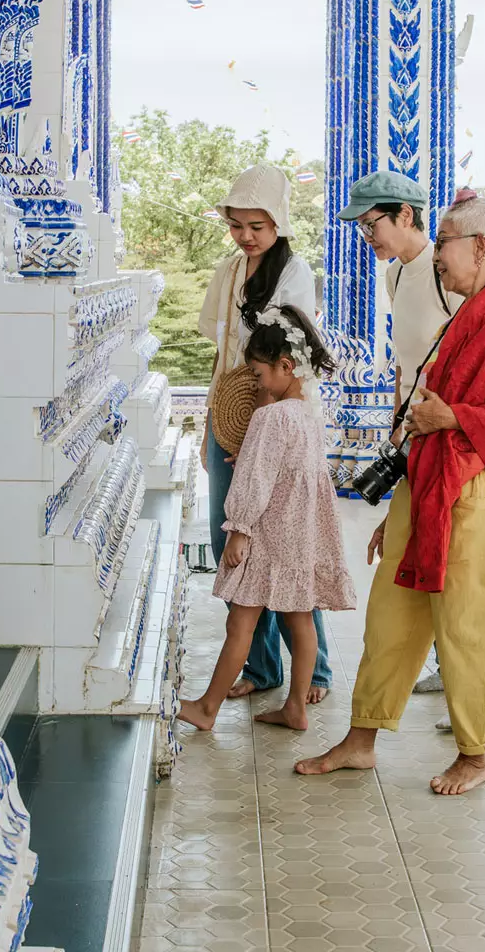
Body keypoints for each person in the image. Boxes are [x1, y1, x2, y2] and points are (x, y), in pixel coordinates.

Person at [296, 190, 485, 795]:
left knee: (466, 625)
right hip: (429, 483)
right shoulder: (471, 310)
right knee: (391, 614)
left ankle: (476, 753)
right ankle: (361, 738)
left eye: (445, 243)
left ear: (482, 246)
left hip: (477, 490)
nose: (437, 254)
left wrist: (455, 420)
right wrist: (402, 504)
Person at [178, 306, 357, 733]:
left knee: (240, 621)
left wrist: (239, 529)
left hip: (268, 536)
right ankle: (296, 706)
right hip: (302, 537)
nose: (257, 384)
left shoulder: (270, 417)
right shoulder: (311, 417)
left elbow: (254, 479)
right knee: (300, 620)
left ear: (286, 365)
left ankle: (206, 709)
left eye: (259, 375)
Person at [197, 163, 334, 702]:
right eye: (238, 225)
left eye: (257, 225)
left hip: (275, 417)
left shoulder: (293, 272)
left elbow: (283, 360)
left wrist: (256, 436)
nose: (247, 236)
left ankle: (315, 670)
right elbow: (221, 348)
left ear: (278, 223)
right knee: (227, 539)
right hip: (230, 411)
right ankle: (262, 666)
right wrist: (218, 422)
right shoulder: (229, 272)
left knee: (287, 549)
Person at [335, 171, 460, 710]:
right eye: (362, 227)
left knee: (452, 551)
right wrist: (396, 422)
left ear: (405, 215)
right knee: (414, 545)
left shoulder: (442, 272)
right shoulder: (394, 277)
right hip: (412, 432)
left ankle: (457, 668)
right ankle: (432, 660)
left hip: (447, 434)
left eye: (373, 224)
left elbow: (461, 356)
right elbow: (405, 363)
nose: (369, 237)